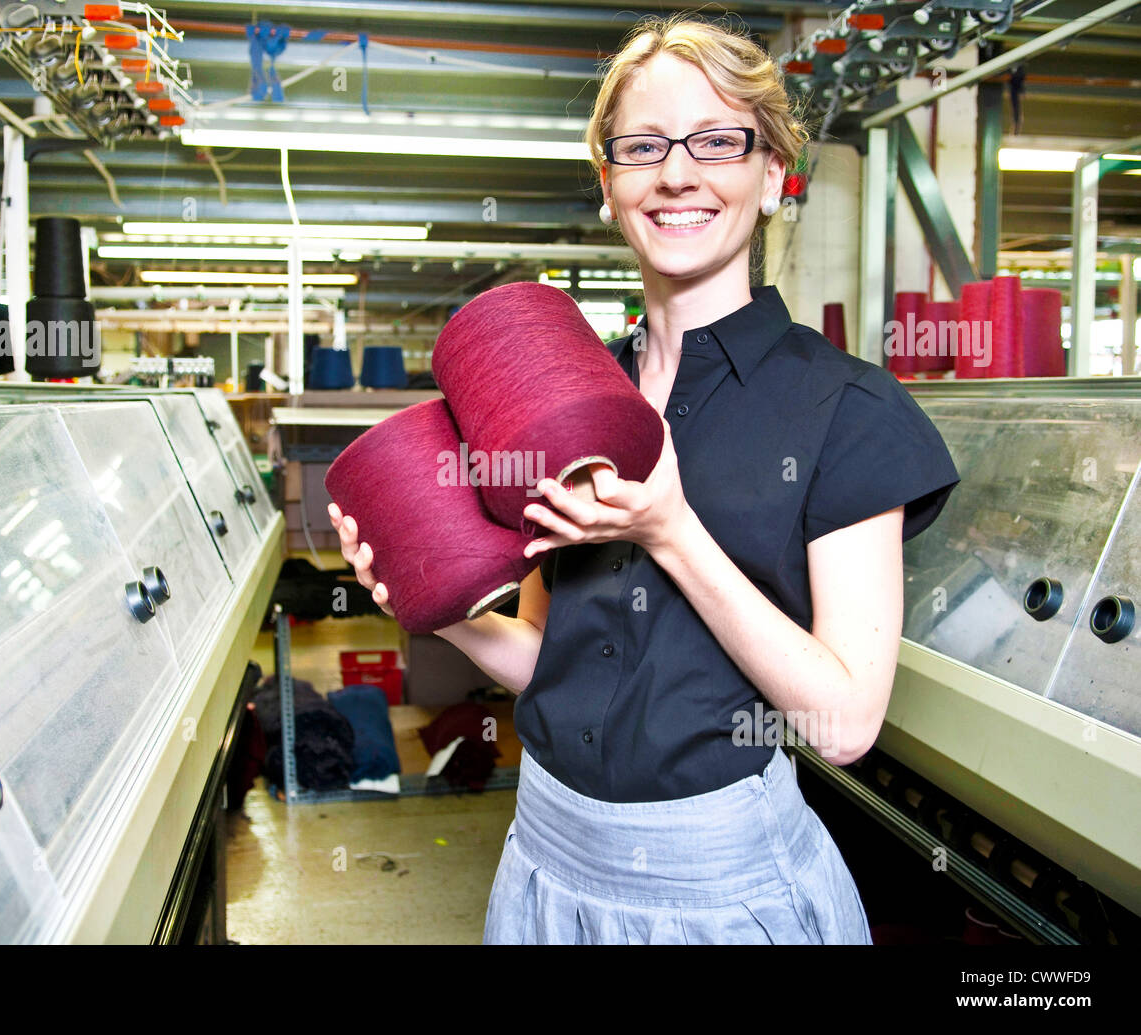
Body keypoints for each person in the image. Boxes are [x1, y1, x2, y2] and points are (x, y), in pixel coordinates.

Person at [328, 14, 959, 945]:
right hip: (546, 860)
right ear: (610, 183)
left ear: (772, 171)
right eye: (644, 146)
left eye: (717, 139)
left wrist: (671, 530)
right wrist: (440, 604)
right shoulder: (563, 406)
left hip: (720, 890)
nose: (677, 173)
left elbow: (844, 722)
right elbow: (551, 661)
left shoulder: (847, 410)